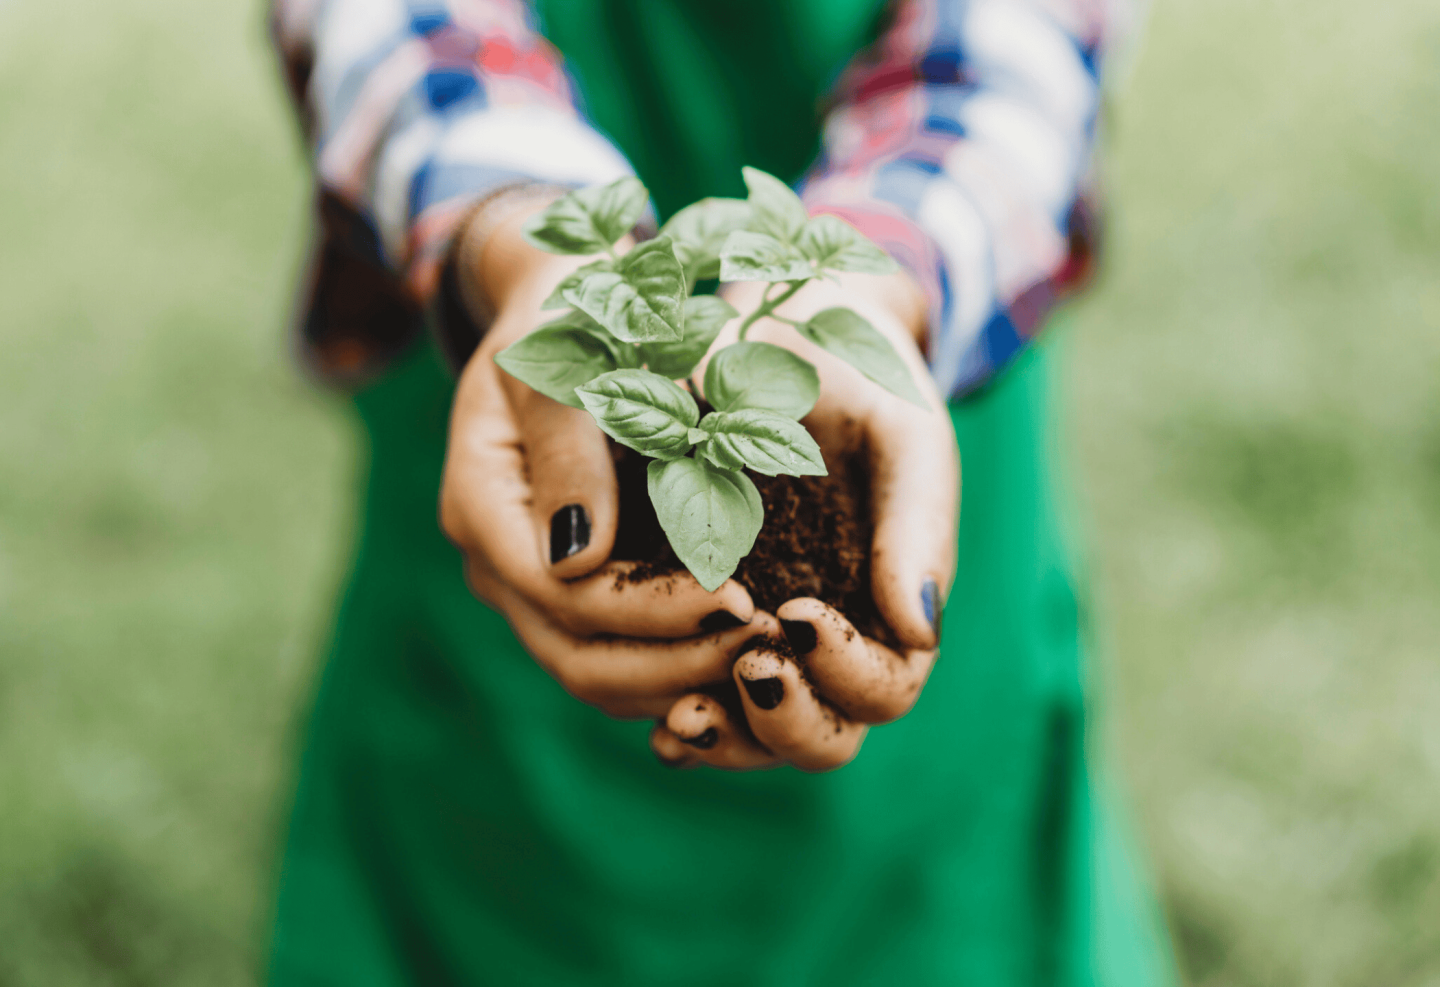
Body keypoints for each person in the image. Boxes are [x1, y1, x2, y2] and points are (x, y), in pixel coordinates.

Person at [266, 0, 1176, 983]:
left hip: (898, 393)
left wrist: (870, 283)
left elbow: (1014, 45)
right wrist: (518, 229)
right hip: (523, 388)